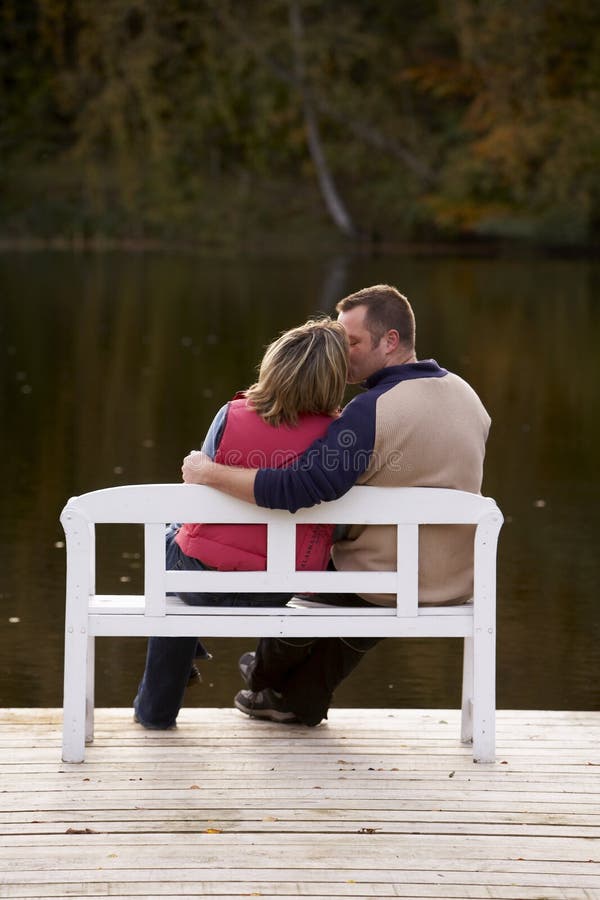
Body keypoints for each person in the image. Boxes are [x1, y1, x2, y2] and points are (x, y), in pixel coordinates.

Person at [183, 284, 491, 727]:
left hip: (383, 578)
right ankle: (293, 698)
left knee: (308, 569)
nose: (340, 354)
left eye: (352, 343)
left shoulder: (370, 412)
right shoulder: (468, 397)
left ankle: (264, 672)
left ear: (390, 341)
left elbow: (298, 487)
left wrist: (209, 473)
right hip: (455, 578)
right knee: (353, 589)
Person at [133, 317, 348, 729]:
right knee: (174, 546)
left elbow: (199, 494)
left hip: (199, 580)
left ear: (273, 367)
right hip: (276, 588)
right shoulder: (338, 437)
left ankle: (156, 709)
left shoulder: (232, 415)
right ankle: (181, 664)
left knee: (167, 545)